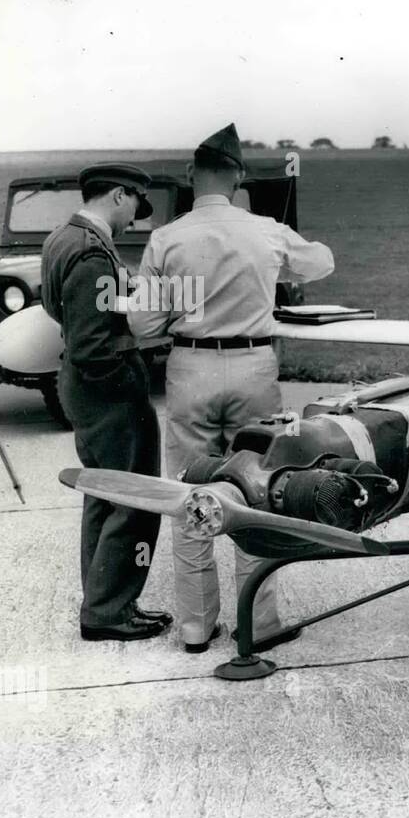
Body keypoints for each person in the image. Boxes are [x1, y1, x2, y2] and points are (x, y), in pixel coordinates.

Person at [128, 123, 335, 651]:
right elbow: (322, 263)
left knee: (190, 494)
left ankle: (196, 626)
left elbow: (145, 326)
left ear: (191, 176)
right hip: (253, 367)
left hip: (191, 369)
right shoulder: (264, 228)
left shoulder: (165, 237)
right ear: (238, 178)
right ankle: (259, 622)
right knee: (257, 492)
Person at [43, 163, 172, 639]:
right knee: (132, 499)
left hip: (84, 388)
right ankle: (110, 612)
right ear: (120, 195)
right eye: (137, 205)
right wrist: (130, 382)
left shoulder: (63, 238)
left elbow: (59, 311)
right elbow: (92, 347)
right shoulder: (91, 252)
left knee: (103, 496)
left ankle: (103, 602)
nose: (136, 218)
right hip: (109, 394)